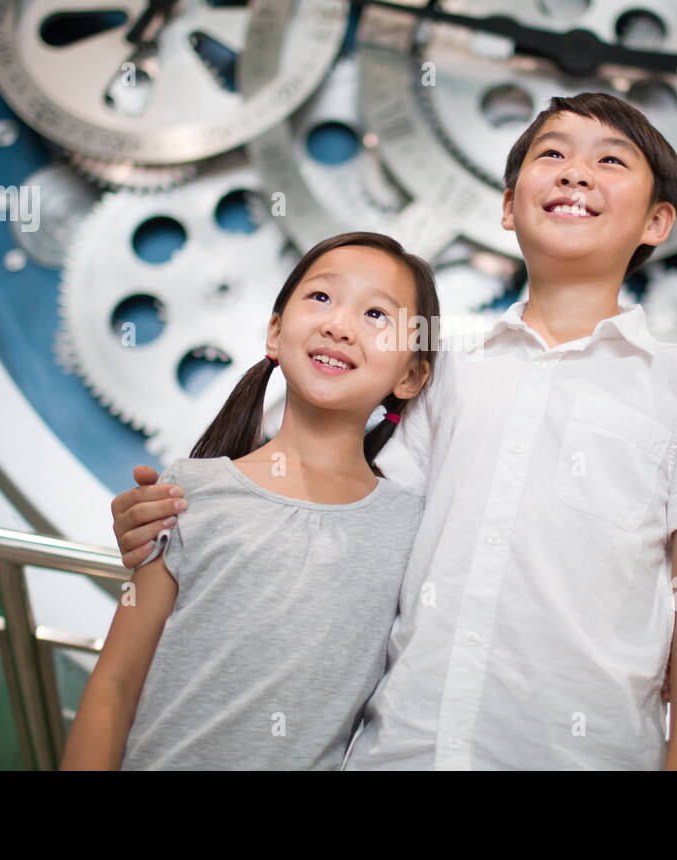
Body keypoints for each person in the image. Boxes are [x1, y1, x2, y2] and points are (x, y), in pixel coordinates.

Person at [109, 92, 677, 769]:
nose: (576, 172)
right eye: (552, 154)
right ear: (509, 206)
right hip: (399, 754)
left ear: (658, 221)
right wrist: (186, 514)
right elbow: (350, 518)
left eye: (610, 160)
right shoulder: (439, 371)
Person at [60, 231, 439, 770]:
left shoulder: (412, 529)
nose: (339, 325)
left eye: (377, 314)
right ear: (274, 332)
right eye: (321, 298)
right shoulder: (190, 491)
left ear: (411, 375)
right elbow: (116, 685)